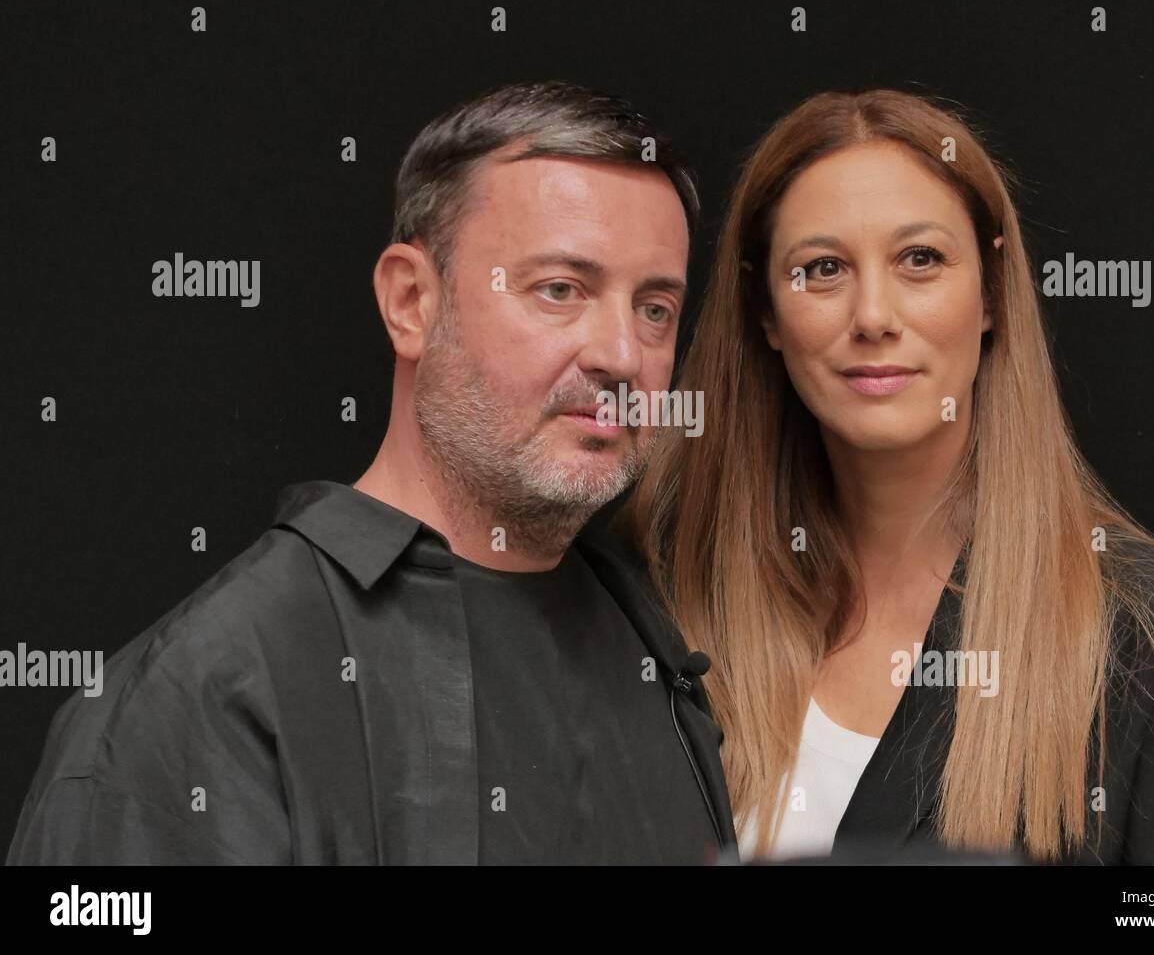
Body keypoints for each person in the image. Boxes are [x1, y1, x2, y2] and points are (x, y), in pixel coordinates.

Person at [8, 80, 735, 865]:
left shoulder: (651, 647)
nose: (621, 355)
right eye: (560, 290)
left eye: (655, 308)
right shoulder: (202, 697)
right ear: (411, 301)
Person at [618, 87, 1154, 865]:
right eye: (822, 268)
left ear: (993, 292)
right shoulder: (659, 603)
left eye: (920, 260)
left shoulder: (1152, 648)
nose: (873, 315)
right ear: (766, 312)